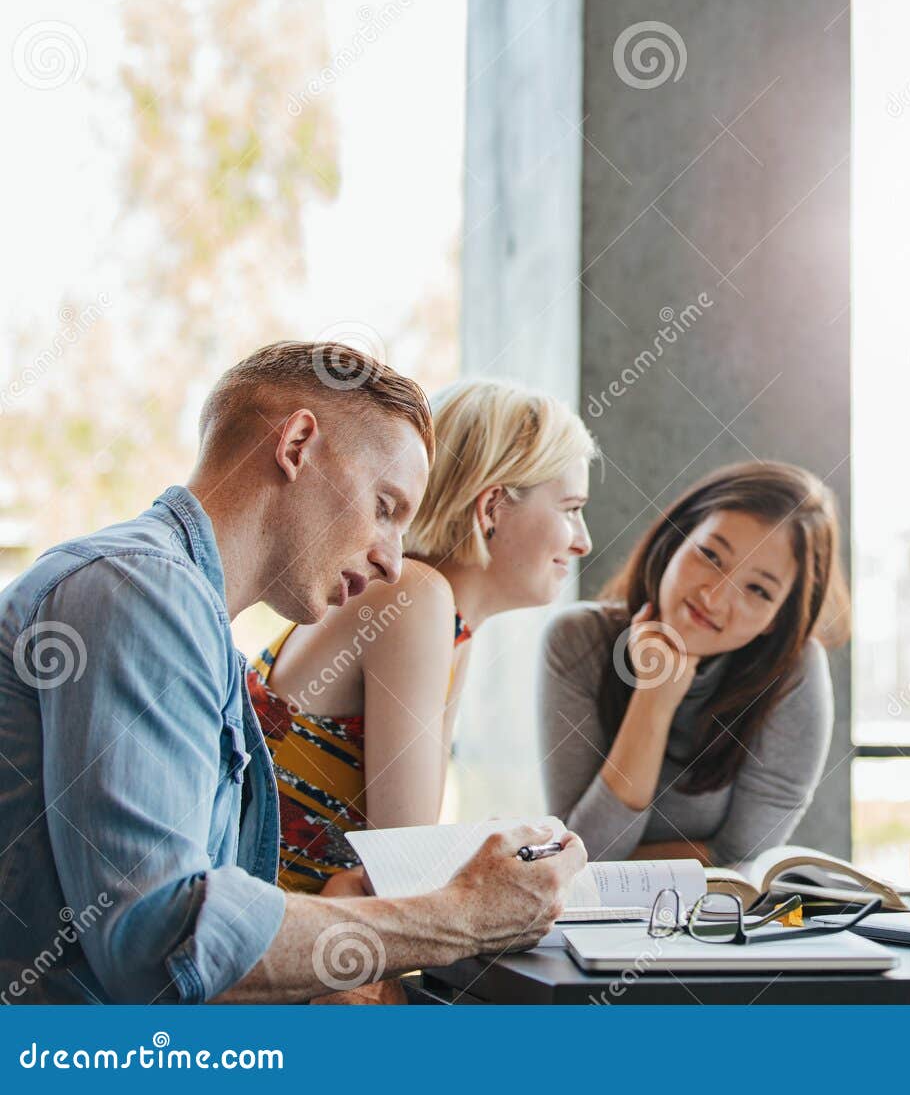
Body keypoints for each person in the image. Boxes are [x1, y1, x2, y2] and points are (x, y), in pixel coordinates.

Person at [0, 343, 585, 1003]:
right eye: (385, 507)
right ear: (297, 445)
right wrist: (464, 915)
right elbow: (166, 943)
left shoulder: (185, 614)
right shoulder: (141, 592)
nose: (393, 562)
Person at [249, 379, 595, 892]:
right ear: (492, 507)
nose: (583, 541)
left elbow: (398, 869)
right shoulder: (412, 596)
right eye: (570, 509)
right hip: (279, 931)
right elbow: (402, 872)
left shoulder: (448, 620)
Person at [538, 461, 849, 866]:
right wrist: (654, 698)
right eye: (711, 555)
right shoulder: (578, 640)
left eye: (757, 589)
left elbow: (741, 858)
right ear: (676, 539)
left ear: (778, 617)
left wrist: (606, 862)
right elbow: (578, 856)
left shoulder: (794, 672)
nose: (714, 598)